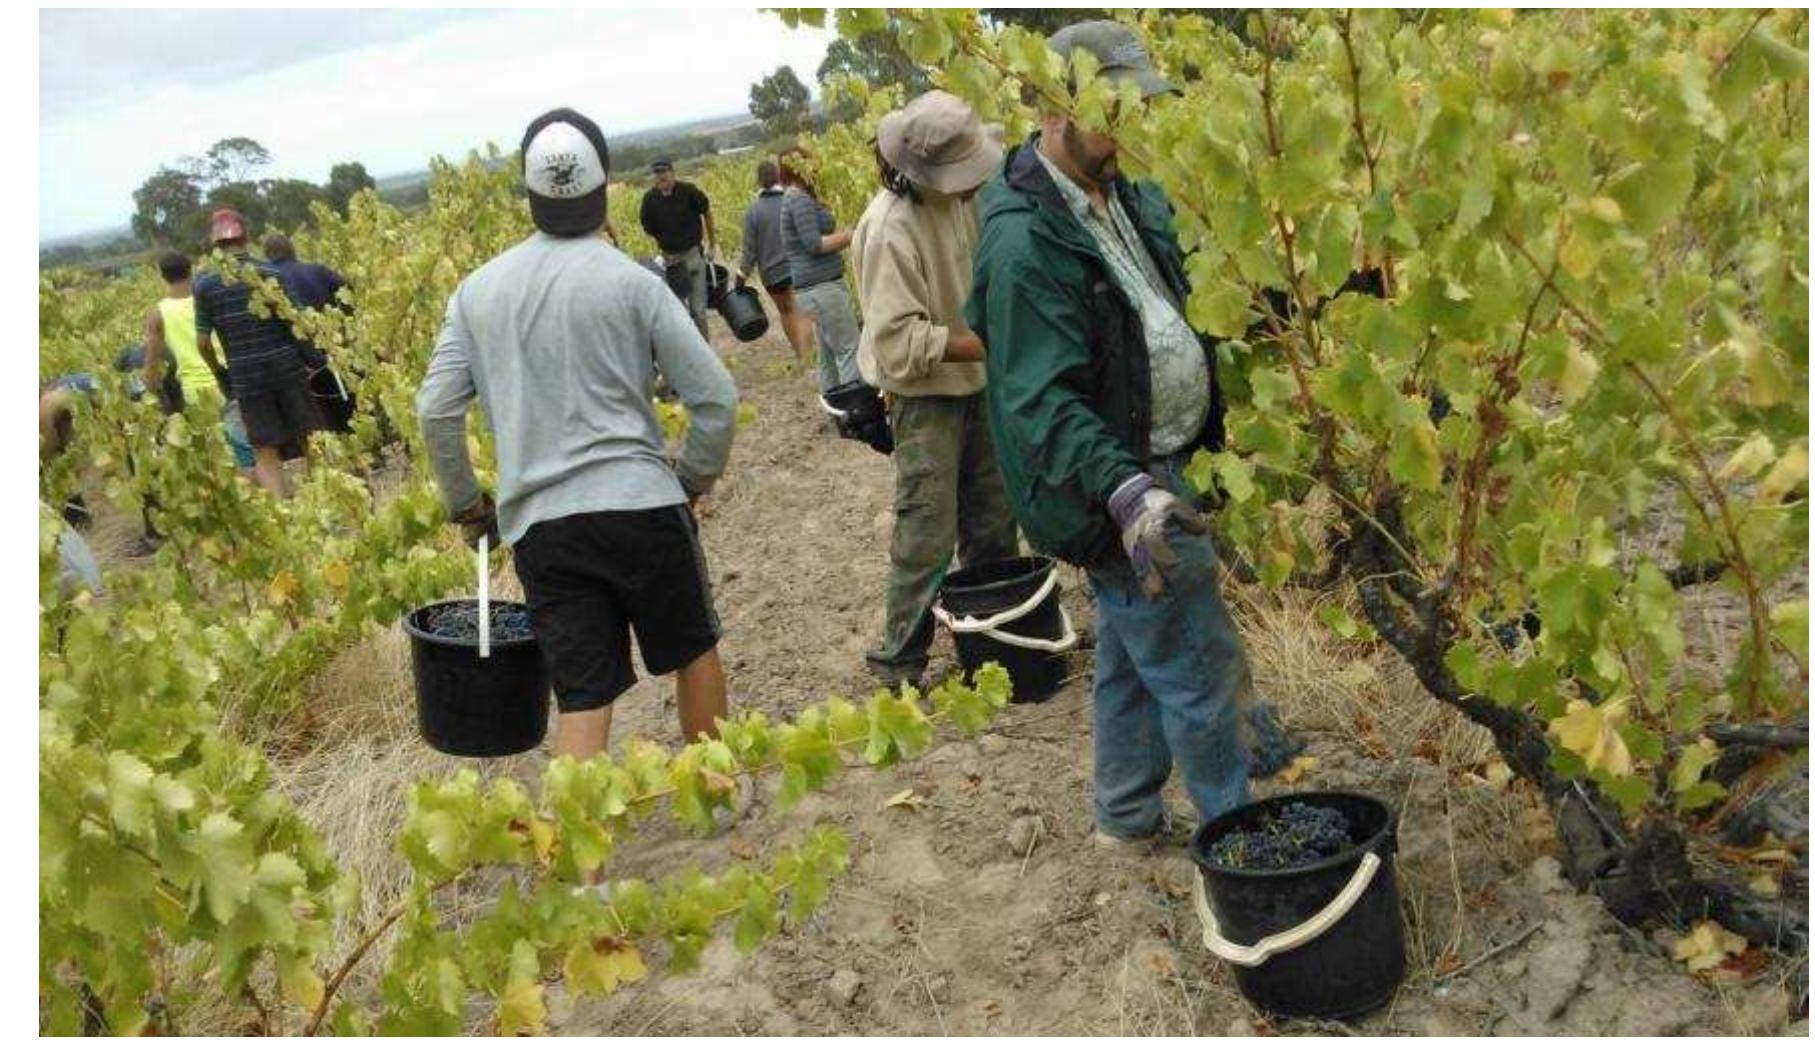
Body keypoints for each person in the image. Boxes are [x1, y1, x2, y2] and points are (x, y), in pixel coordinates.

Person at [967, 21, 1255, 847]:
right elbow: (1041, 402)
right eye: (1115, 109)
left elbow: (1176, 302)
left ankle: (1125, 817)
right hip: (1115, 485)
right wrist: (1131, 491)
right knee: (1200, 671)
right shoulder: (1023, 243)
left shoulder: (1119, 190)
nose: (1133, 126)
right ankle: (1243, 845)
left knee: (1136, 660)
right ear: (1059, 107)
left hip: (1156, 457)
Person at [417, 108, 740, 787]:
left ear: (529, 195)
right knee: (691, 649)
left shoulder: (475, 293)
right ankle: (717, 800)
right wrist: (690, 479)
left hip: (542, 525)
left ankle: (584, 874)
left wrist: (469, 509)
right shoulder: (633, 282)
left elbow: (436, 411)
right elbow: (714, 396)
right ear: (604, 188)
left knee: (583, 693)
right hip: (644, 506)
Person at [851, 90, 1019, 691]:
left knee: (995, 520)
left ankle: (997, 644)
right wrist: (987, 344)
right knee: (927, 532)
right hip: (926, 401)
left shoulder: (962, 203)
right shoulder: (888, 229)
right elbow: (896, 339)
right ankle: (900, 663)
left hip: (979, 386)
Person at [193, 208, 321, 497]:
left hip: (245, 376)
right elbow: (300, 322)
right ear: (246, 235)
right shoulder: (271, 273)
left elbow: (202, 342)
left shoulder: (205, 285)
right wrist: (310, 358)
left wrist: (220, 372)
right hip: (286, 367)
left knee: (265, 449)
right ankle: (323, 499)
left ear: (214, 243)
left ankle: (284, 509)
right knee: (311, 438)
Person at [140, 250, 257, 473]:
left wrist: (150, 392)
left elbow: (151, 365)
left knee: (217, 460)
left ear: (162, 276)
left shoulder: (158, 313)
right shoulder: (209, 297)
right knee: (245, 450)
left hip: (195, 393)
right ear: (190, 270)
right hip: (229, 381)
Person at [777, 149, 864, 400]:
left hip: (813, 289)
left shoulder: (796, 197)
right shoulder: (798, 199)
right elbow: (814, 244)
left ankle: (836, 409)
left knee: (828, 355)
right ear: (798, 167)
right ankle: (855, 407)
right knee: (849, 349)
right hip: (821, 287)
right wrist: (851, 235)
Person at [262, 233, 356, 433]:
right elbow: (349, 294)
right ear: (292, 250)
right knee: (350, 402)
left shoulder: (268, 283)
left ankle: (343, 455)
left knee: (323, 412)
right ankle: (368, 450)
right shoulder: (317, 270)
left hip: (301, 359)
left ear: (267, 256)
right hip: (335, 348)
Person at [734, 159, 811, 362]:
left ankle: (799, 354)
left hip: (771, 274)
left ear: (759, 181)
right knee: (799, 310)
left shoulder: (753, 211)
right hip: (795, 265)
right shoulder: (791, 200)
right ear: (777, 176)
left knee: (785, 312)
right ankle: (808, 356)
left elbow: (749, 250)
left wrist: (741, 276)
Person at [638, 157, 717, 339]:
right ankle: (691, 352)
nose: (661, 177)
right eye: (657, 174)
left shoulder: (689, 191)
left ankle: (705, 352)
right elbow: (648, 227)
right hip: (671, 261)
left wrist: (712, 244)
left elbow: (707, 212)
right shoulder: (649, 199)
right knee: (680, 314)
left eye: (664, 172)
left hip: (693, 256)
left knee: (698, 311)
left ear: (672, 172)